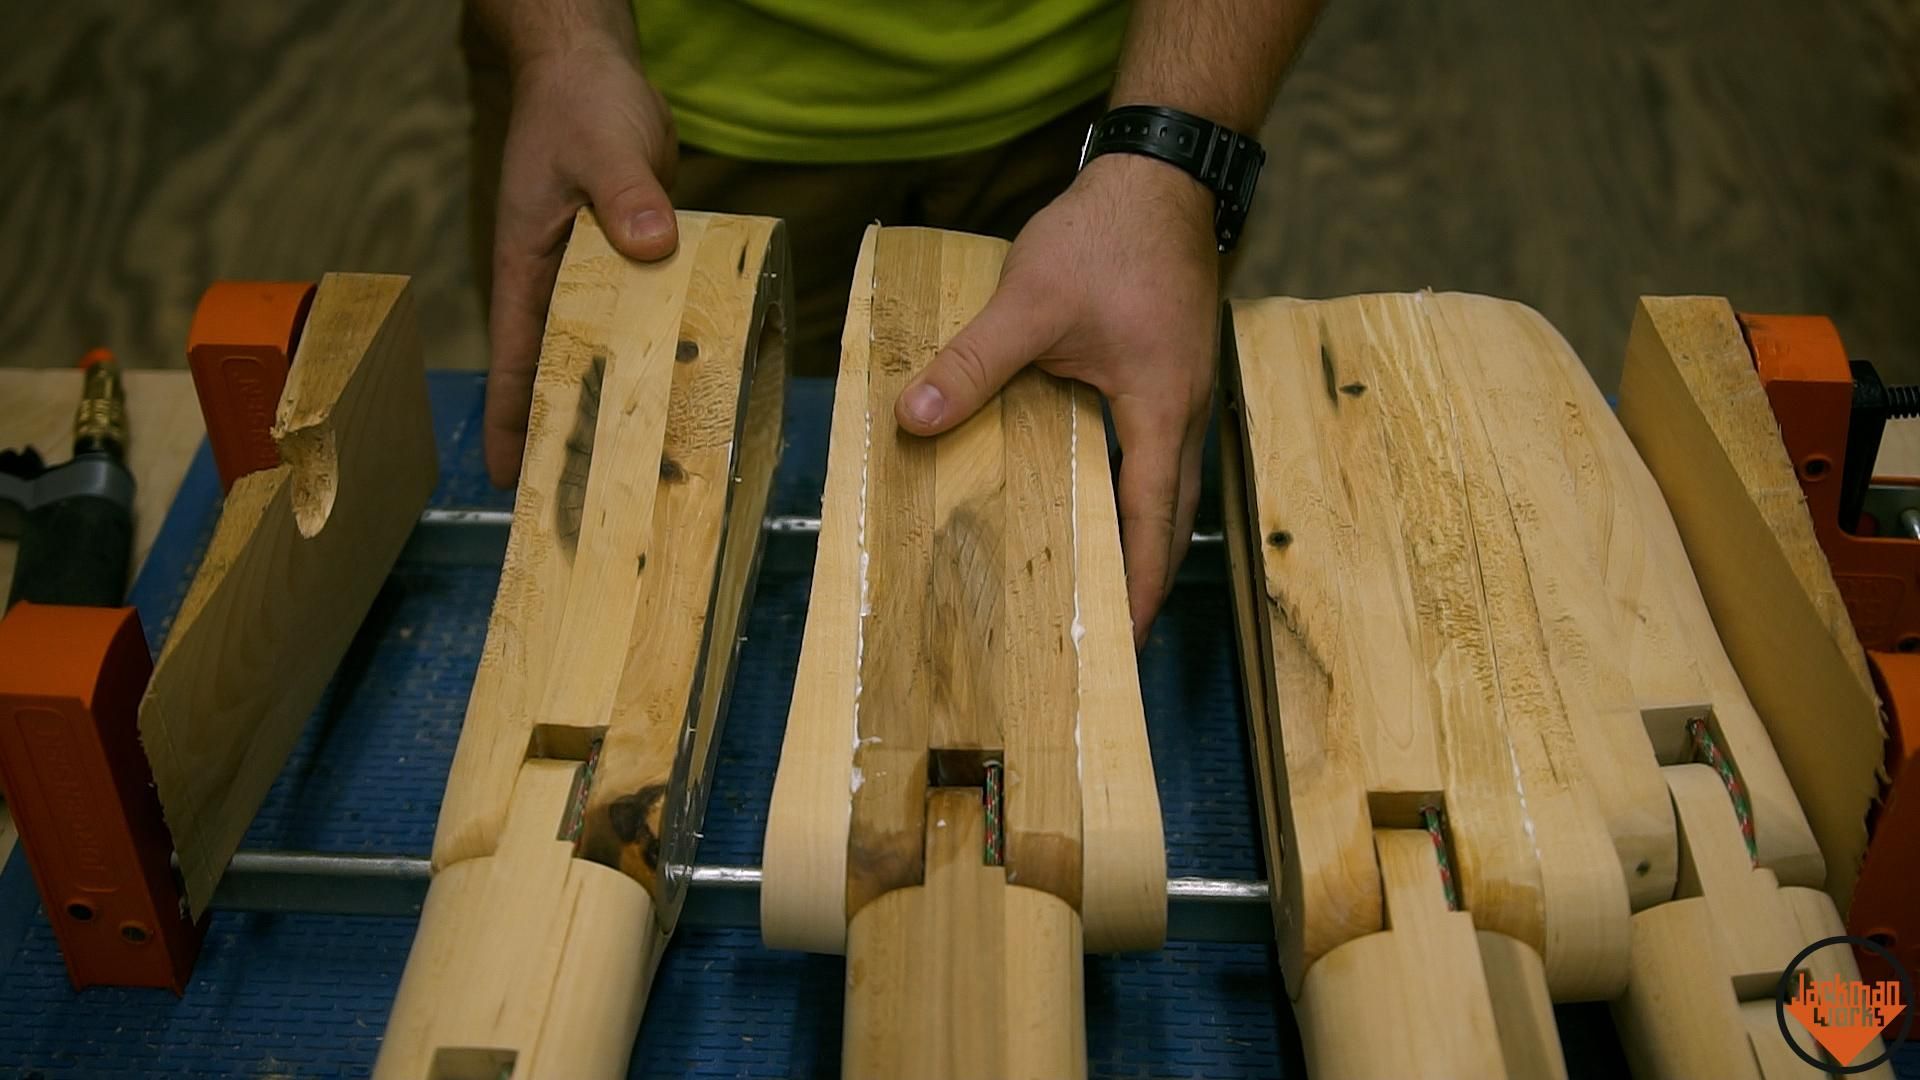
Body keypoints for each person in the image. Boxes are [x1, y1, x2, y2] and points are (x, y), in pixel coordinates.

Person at [468, 0, 1322, 646]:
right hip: (661, 107)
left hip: (1124, 91)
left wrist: (1169, 153)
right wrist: (561, 43)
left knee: (1043, 598)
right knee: (621, 598)